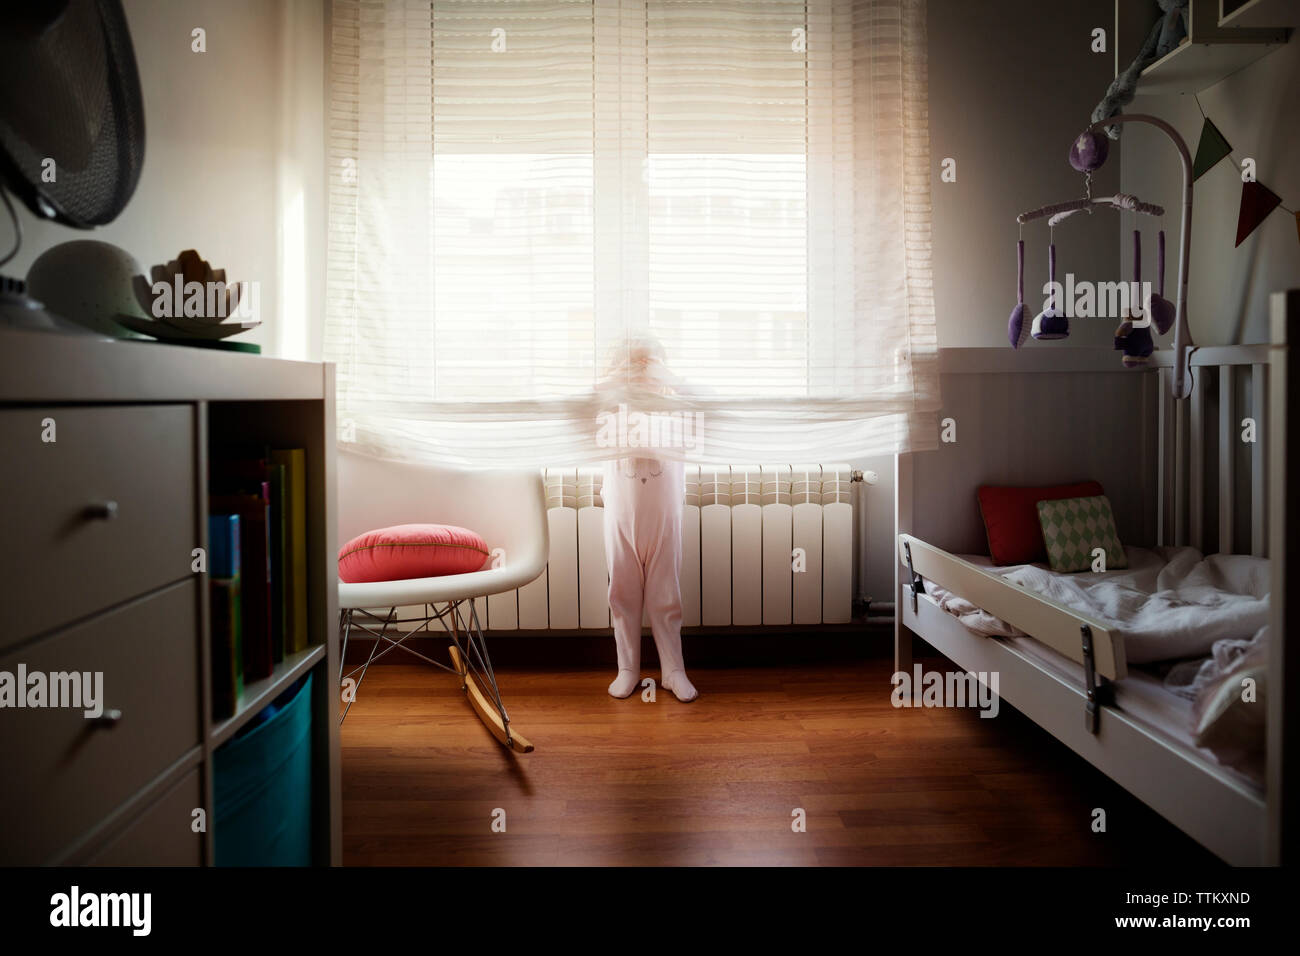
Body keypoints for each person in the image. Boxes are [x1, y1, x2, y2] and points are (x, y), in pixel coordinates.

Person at [597, 337, 698, 702]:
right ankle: (628, 668)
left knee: (665, 596)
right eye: (633, 366)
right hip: (621, 520)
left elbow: (704, 404)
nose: (641, 374)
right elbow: (576, 408)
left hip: (663, 520)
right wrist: (616, 380)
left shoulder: (674, 411)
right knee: (621, 594)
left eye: (647, 366)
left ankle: (673, 670)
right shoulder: (610, 411)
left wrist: (662, 374)